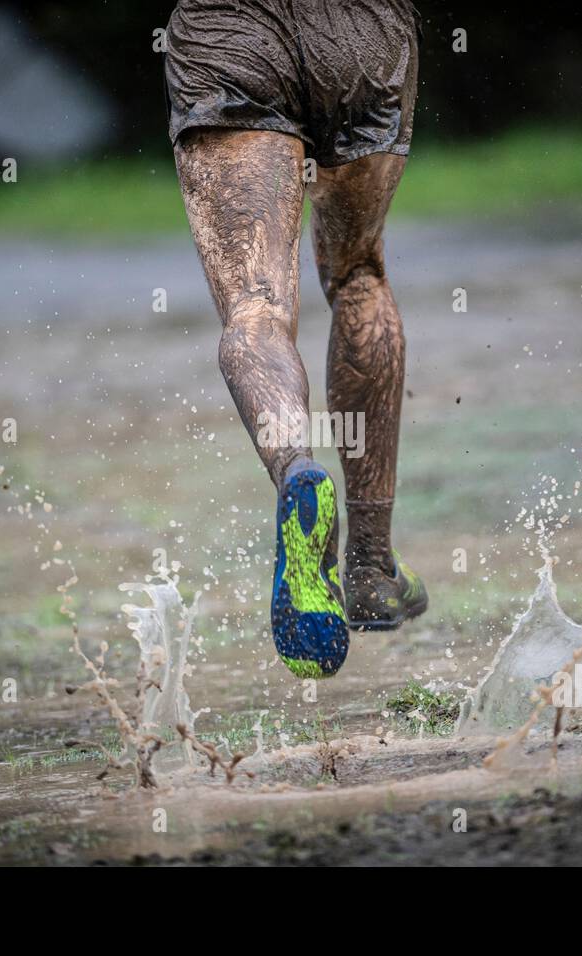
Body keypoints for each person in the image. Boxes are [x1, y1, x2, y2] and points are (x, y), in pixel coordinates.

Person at [165, 0, 427, 677]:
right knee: (358, 275)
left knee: (256, 305)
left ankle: (296, 475)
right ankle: (371, 566)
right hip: (361, 32)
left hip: (232, 32)